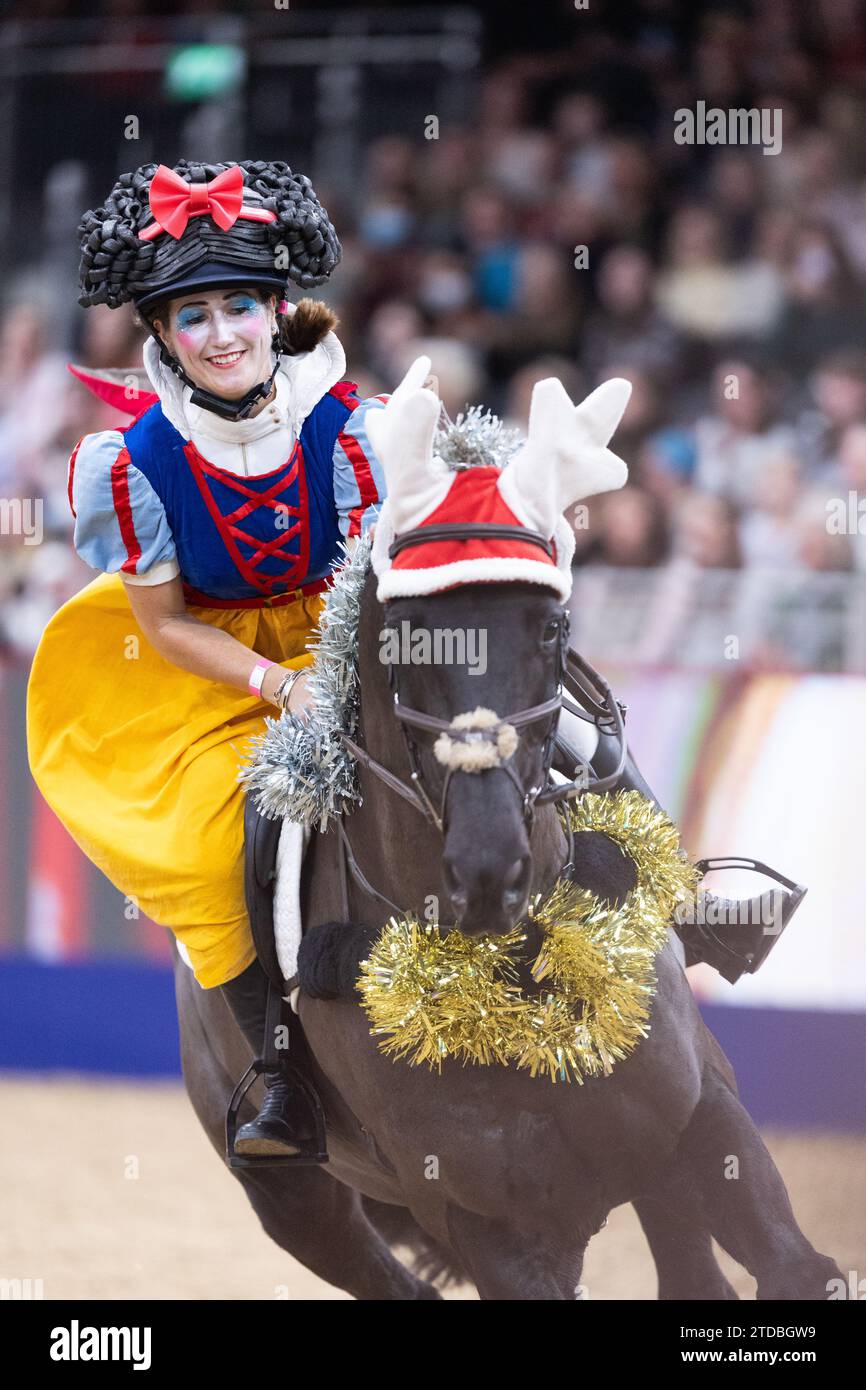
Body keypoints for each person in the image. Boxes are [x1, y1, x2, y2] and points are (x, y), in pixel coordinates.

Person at [26, 159, 391, 1165]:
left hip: (349, 625)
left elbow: (371, 572)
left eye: (241, 305)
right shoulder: (133, 462)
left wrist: (341, 667)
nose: (223, 333)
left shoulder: (346, 424)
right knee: (204, 846)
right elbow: (165, 623)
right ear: (159, 337)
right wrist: (279, 685)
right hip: (213, 662)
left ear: (278, 312)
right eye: (194, 316)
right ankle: (278, 1066)